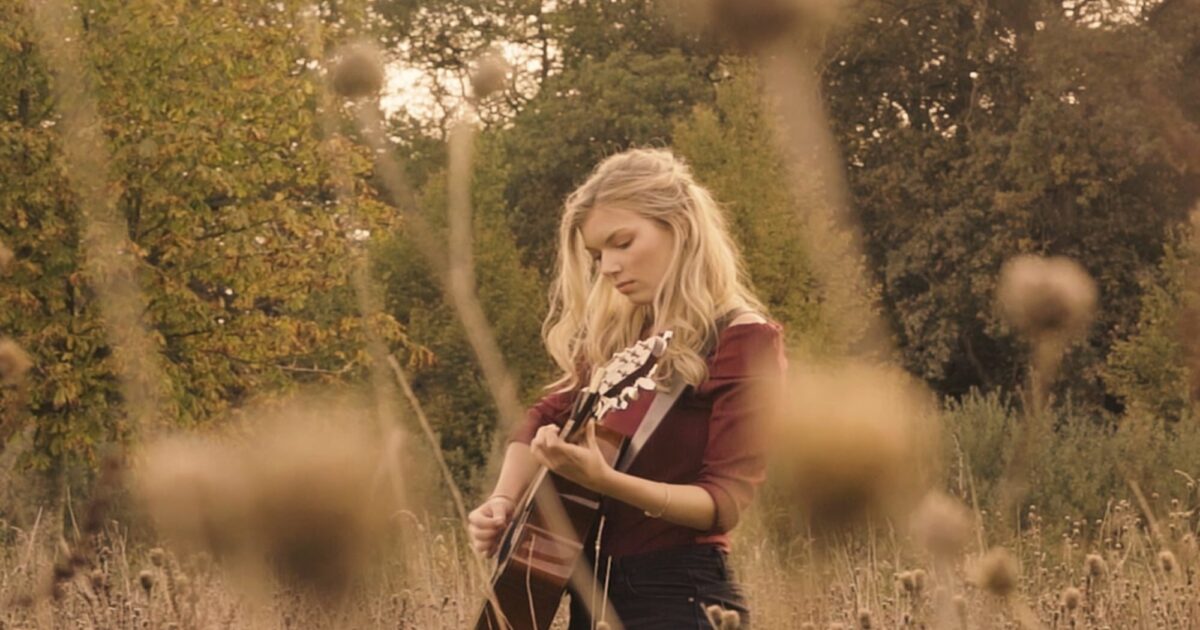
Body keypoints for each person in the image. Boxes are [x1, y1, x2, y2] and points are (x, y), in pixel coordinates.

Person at [467, 147, 786, 629]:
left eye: (622, 242)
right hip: (590, 598)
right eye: (597, 255)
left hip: (682, 598)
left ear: (679, 226)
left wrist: (606, 481)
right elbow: (544, 416)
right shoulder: (620, 340)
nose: (608, 267)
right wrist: (502, 501)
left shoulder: (744, 339)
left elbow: (722, 504)